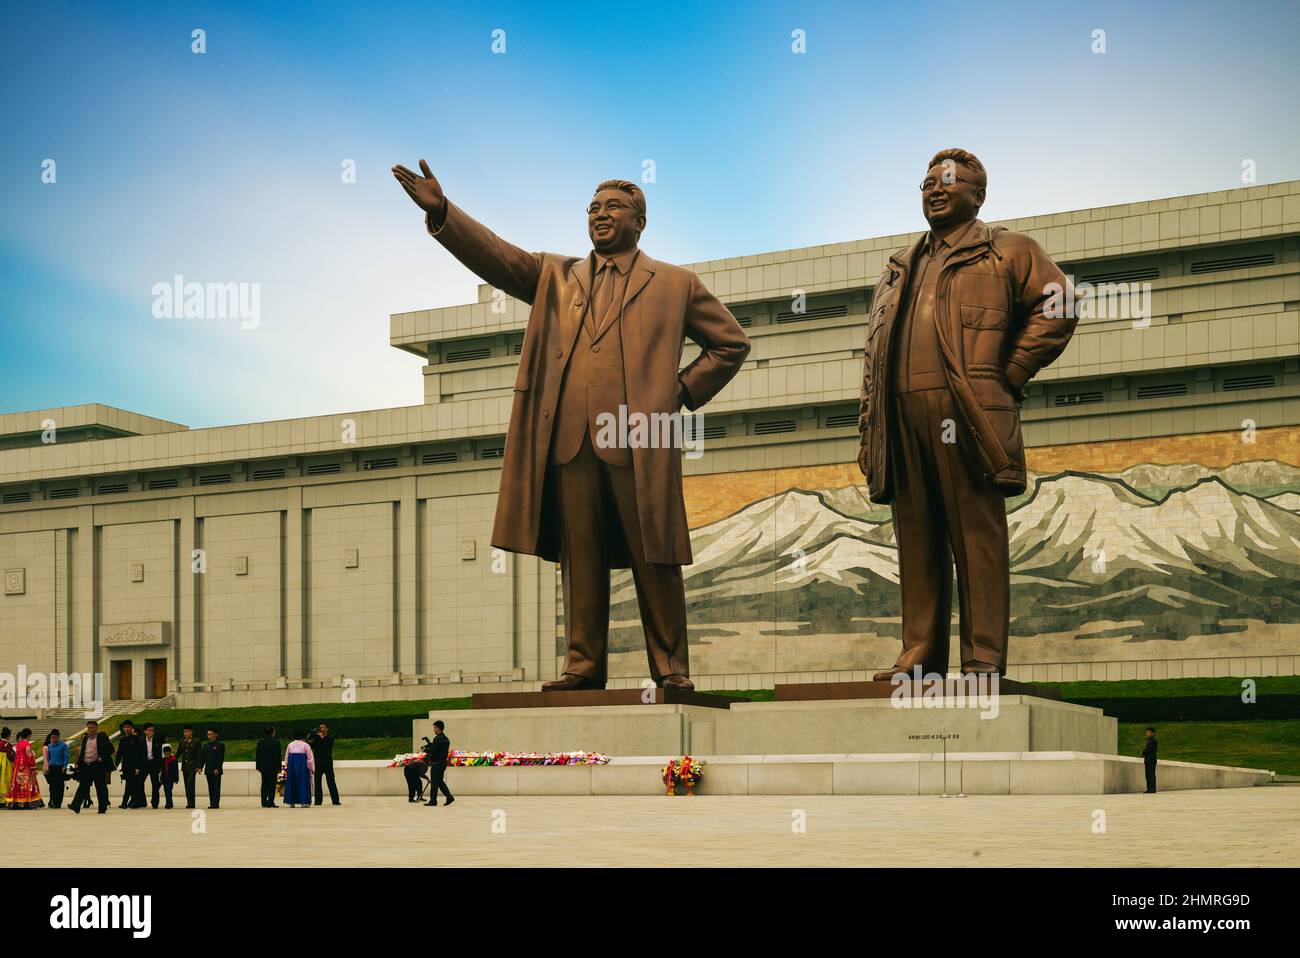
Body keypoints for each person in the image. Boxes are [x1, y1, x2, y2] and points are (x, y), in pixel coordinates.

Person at [392, 163, 750, 692]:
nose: (600, 215)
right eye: (593, 208)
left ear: (640, 221)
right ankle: (582, 666)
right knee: (579, 558)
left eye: (612, 207)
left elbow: (731, 344)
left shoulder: (675, 283)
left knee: (656, 554)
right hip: (569, 441)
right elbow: (498, 257)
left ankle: (671, 668)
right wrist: (444, 213)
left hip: (638, 441)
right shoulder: (555, 276)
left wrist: (675, 393)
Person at [857, 149, 1077, 679]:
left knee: (976, 536)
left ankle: (982, 657)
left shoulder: (1007, 250)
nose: (935, 189)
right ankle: (919, 656)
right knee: (917, 538)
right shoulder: (899, 269)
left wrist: (1011, 371)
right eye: (926, 182)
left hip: (967, 414)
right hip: (901, 416)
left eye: (949, 182)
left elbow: (1060, 304)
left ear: (978, 195)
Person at [69, 720, 115, 814]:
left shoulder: (101, 737)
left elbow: (111, 749)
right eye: (89, 728)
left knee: (100, 787)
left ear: (97, 728)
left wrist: (102, 757)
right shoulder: (85, 738)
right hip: (86, 766)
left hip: (97, 766)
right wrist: (79, 763)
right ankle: (76, 805)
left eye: (93, 728)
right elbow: (83, 751)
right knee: (82, 786)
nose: (91, 730)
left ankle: (102, 808)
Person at [5, 729, 44, 809]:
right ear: (29, 735)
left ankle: (17, 801)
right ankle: (27, 802)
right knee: (27, 784)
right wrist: (33, 768)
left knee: (18, 785)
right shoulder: (27, 744)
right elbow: (30, 756)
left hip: (17, 767)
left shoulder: (18, 744)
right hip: (25, 768)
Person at [115, 720, 147, 809]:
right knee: (130, 784)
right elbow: (119, 753)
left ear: (131, 728)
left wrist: (137, 767)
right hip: (125, 765)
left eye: (128, 727)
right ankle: (131, 802)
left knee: (131, 784)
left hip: (134, 766)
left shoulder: (136, 739)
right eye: (125, 727)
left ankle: (127, 802)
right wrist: (116, 763)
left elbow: (138, 754)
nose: (127, 729)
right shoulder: (122, 739)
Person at [422, 720, 454, 808]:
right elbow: (437, 748)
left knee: (435, 783)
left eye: (434, 728)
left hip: (436, 764)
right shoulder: (445, 738)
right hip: (443, 764)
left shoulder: (437, 738)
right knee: (439, 781)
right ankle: (449, 797)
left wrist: (425, 750)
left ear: (438, 728)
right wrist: (430, 745)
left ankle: (433, 801)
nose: (434, 730)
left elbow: (433, 750)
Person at [308, 722, 340, 806]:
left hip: (327, 763)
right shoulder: (316, 737)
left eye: (322, 727)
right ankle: (318, 801)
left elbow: (328, 746)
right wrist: (311, 737)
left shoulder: (330, 737)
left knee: (331, 781)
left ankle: (335, 801)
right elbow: (311, 746)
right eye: (320, 727)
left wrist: (323, 738)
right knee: (317, 782)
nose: (321, 729)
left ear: (327, 729)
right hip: (318, 762)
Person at [283, 730, 315, 808]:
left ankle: (291, 802)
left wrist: (289, 766)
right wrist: (312, 768)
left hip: (292, 767)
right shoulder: (306, 745)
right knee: (303, 783)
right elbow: (310, 759)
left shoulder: (290, 745)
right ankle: (304, 802)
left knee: (292, 783)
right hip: (303, 767)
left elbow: (286, 758)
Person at [175, 725, 203, 809]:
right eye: (184, 732)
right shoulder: (181, 741)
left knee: (190, 784)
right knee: (186, 785)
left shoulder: (196, 741)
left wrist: (199, 766)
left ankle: (192, 803)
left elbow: (199, 755)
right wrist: (171, 759)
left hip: (193, 766)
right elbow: (178, 753)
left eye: (188, 731)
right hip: (185, 766)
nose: (186, 733)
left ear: (191, 732)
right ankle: (189, 802)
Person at [198, 728, 225, 809]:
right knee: (210, 787)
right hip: (208, 769)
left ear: (215, 735)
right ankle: (212, 803)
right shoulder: (205, 746)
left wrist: (217, 768)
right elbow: (203, 758)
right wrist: (200, 767)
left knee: (216, 787)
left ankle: (216, 804)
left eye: (210, 734)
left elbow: (221, 758)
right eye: (208, 734)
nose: (209, 736)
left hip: (216, 770)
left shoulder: (220, 745)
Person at [255, 725, 281, 808]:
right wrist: (279, 767)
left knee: (264, 784)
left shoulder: (260, 742)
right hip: (273, 767)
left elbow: (258, 755)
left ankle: (263, 802)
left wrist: (258, 766)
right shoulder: (276, 742)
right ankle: (270, 802)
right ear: (273, 732)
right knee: (272, 785)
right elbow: (278, 756)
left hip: (263, 767)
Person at [43, 730, 70, 809]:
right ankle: (53, 801)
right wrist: (47, 768)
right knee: (52, 786)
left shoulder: (63, 745)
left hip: (60, 768)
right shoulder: (49, 746)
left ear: (58, 737)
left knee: (60, 786)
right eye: (52, 737)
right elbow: (48, 758)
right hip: (52, 767)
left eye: (55, 737)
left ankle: (58, 803)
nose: (54, 739)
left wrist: (64, 766)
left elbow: (66, 756)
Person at [142, 723, 165, 808]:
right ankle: (140, 801)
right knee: (139, 783)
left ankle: (155, 803)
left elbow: (160, 754)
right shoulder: (141, 740)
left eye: (152, 730)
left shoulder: (157, 740)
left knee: (155, 784)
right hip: (144, 764)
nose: (151, 732)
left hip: (154, 764)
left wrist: (160, 766)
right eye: (149, 730)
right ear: (145, 731)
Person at [160, 744, 178, 809]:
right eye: (165, 752)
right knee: (166, 791)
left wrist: (176, 779)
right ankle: (170, 803)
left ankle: (168, 803)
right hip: (165, 778)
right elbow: (162, 770)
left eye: (167, 752)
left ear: (170, 752)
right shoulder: (163, 760)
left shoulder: (174, 760)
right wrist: (161, 778)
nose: (166, 753)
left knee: (169, 790)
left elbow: (176, 770)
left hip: (171, 778)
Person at [1142, 727, 1159, 793]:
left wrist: (1143, 752)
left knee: (1151, 775)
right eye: (1146, 732)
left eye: (1148, 732)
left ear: (1152, 733)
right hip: (1148, 760)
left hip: (1151, 761)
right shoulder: (1149, 740)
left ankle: (1152, 789)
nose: (1147, 733)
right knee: (1148, 775)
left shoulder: (1153, 741)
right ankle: (1149, 789)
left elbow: (1149, 750)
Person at [0, 728, 13, 804]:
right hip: (5, 765)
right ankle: (4, 799)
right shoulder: (7, 745)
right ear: (8, 735)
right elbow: (9, 755)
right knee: (5, 781)